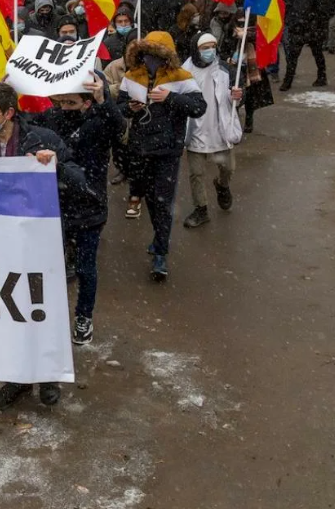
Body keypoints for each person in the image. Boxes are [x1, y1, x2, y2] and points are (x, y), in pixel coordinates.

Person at [0, 83, 86, 410]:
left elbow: (78, 181)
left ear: (8, 113)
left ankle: (48, 374)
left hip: (37, 242)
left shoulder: (41, 140)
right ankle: (18, 378)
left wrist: (53, 167)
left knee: (40, 306)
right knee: (9, 311)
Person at [33, 72, 124, 346]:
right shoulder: (53, 118)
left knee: (85, 268)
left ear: (86, 103)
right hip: (54, 205)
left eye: (71, 104)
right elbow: (22, 124)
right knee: (48, 266)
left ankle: (84, 316)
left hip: (88, 205)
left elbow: (119, 128)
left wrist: (103, 100)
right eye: (61, 103)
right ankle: (47, 316)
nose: (65, 109)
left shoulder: (100, 121)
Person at [118, 32, 207, 281]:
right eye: (147, 55)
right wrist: (130, 107)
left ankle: (161, 253)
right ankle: (159, 238)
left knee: (163, 202)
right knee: (151, 200)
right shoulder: (131, 76)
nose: (151, 60)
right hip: (141, 149)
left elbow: (199, 107)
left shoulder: (182, 78)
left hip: (168, 150)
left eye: (156, 55)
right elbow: (118, 109)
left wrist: (170, 98)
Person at [182, 34, 244, 229]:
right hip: (196, 129)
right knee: (196, 173)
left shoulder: (225, 70)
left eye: (213, 46)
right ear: (195, 49)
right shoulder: (184, 72)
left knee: (228, 168)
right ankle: (201, 209)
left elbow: (233, 100)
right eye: (205, 47)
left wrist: (237, 97)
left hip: (220, 128)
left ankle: (222, 186)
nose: (210, 51)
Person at [279, 0, 328, 90]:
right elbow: (289, 0)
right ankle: (287, 81)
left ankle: (322, 76)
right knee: (292, 56)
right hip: (298, 26)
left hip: (313, 26)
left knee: (317, 54)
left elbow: (321, 4)